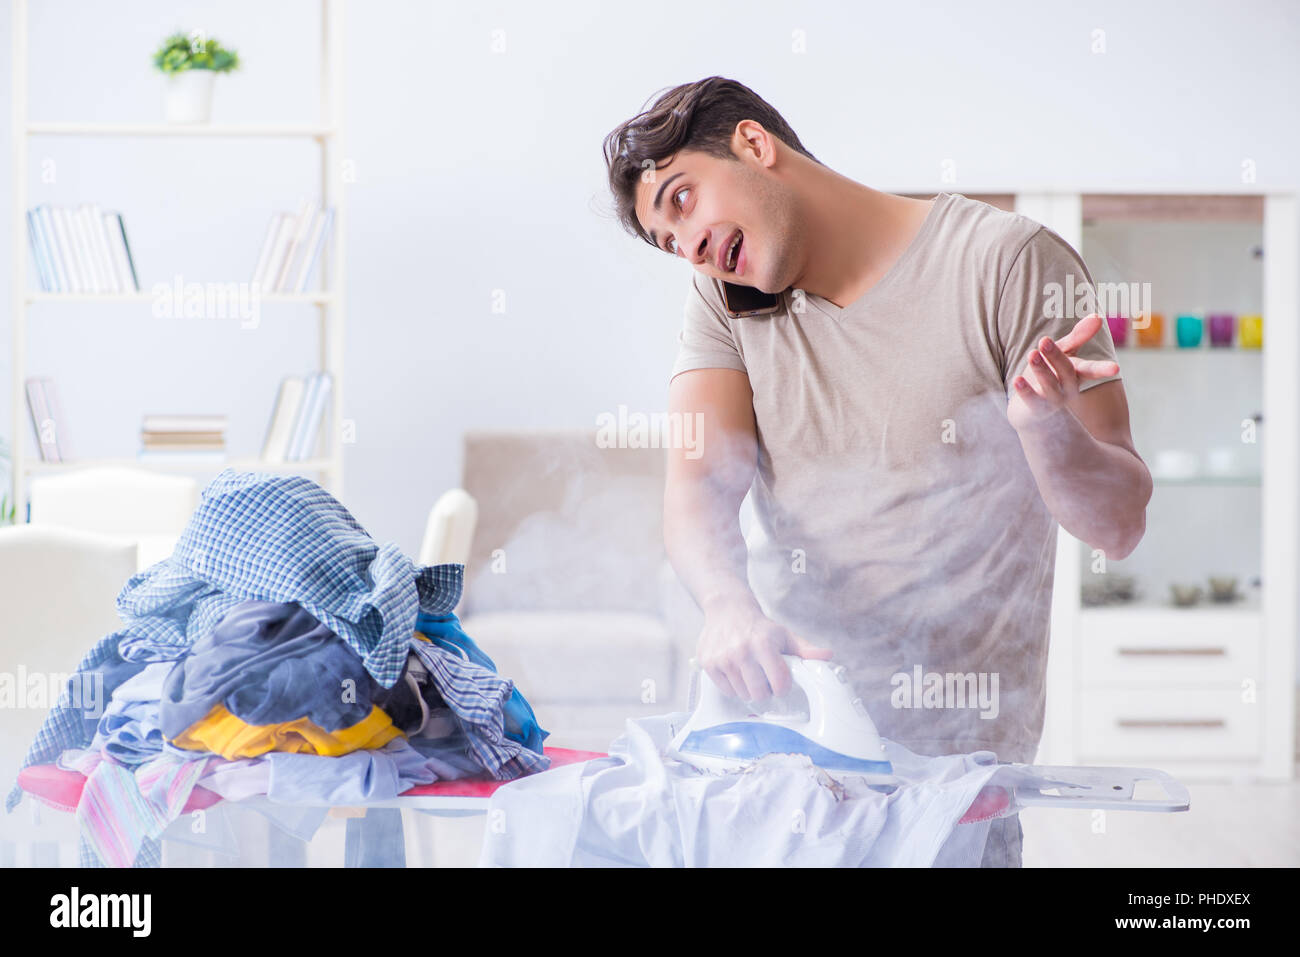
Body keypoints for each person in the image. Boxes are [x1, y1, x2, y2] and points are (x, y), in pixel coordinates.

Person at [602, 77, 1151, 866]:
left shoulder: (1004, 263)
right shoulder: (724, 300)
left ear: (755, 145)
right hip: (788, 768)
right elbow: (697, 487)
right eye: (668, 242)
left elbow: (1120, 525)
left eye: (683, 201)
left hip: (956, 780)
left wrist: (1047, 433)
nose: (686, 246)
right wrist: (725, 605)